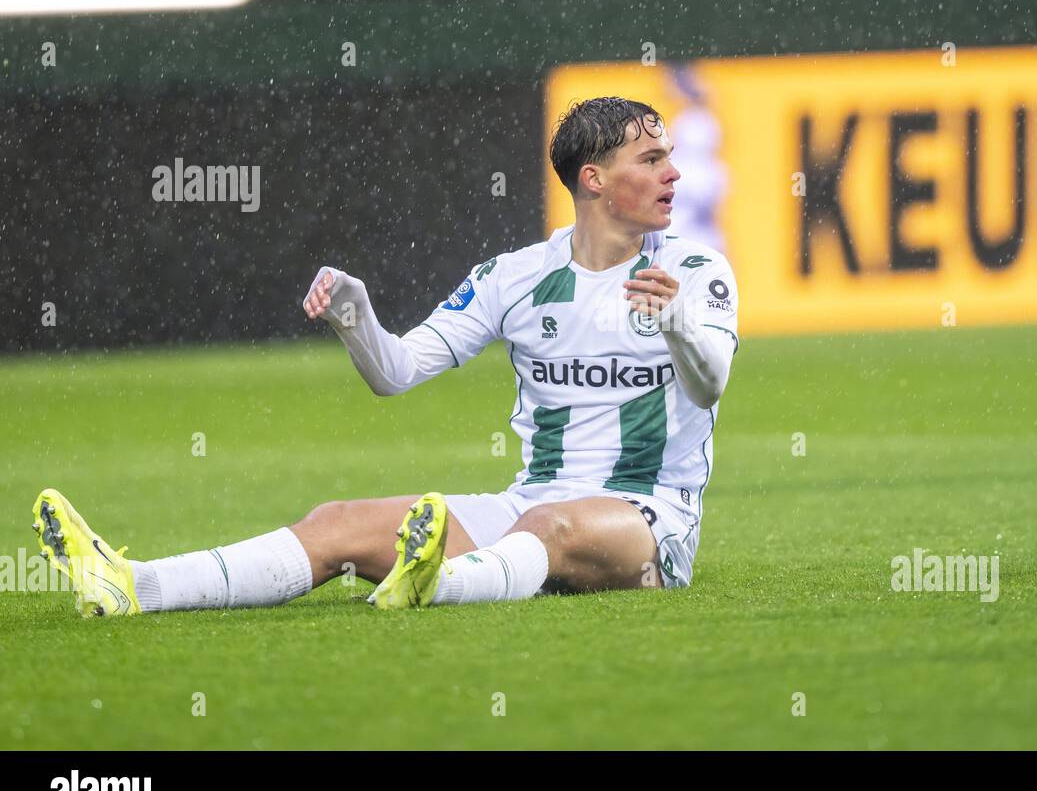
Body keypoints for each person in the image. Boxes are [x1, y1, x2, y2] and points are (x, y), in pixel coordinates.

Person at [31, 97, 740, 616]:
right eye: (652, 159)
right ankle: (132, 586)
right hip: (527, 508)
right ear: (593, 179)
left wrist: (677, 320)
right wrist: (354, 315)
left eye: (670, 157)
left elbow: (709, 388)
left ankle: (441, 582)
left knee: (551, 528)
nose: (674, 174)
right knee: (339, 521)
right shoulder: (514, 276)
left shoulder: (697, 269)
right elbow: (394, 373)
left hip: (649, 523)